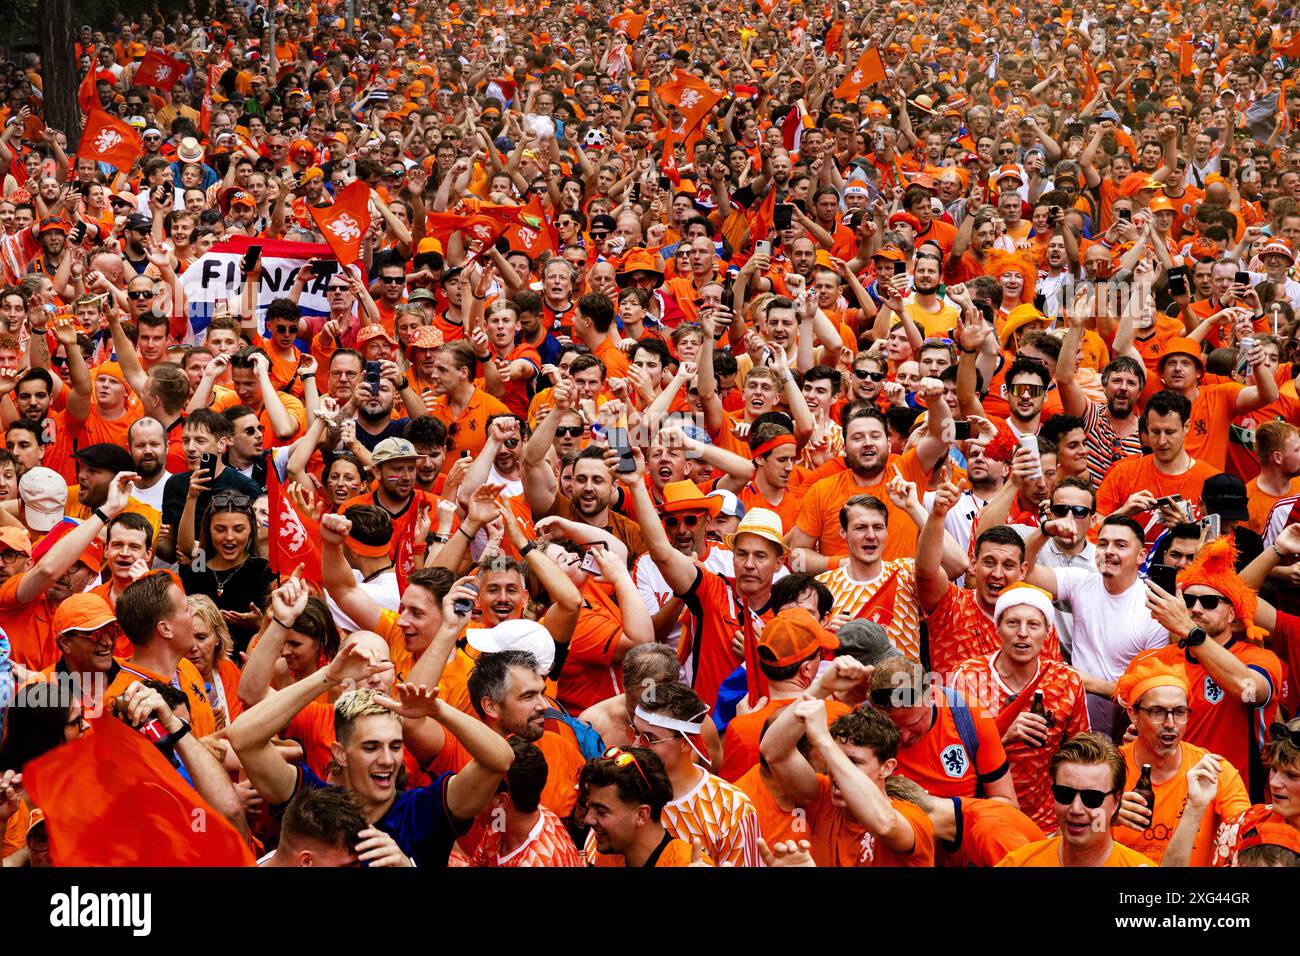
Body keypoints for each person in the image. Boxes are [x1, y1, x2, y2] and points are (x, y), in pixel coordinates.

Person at [1143, 537, 1283, 800]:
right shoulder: (1156, 661)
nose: (1195, 608)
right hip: (1170, 798)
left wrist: (1189, 631)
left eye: (1209, 602)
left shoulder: (1258, 659)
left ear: (1231, 614)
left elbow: (1247, 689)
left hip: (1234, 800)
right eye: (1189, 600)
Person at [950, 583, 1090, 832]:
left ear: (1047, 632)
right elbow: (951, 756)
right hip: (983, 818)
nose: (1023, 633)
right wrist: (1001, 736)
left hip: (1047, 821)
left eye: (1033, 625)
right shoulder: (967, 677)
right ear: (998, 629)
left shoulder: (1066, 680)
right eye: (1013, 623)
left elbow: (1082, 753)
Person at [761, 688, 936, 867]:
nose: (837, 771)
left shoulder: (912, 818)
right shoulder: (822, 799)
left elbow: (885, 824)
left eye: (853, 762)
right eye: (835, 757)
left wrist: (824, 740)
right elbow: (774, 753)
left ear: (886, 768)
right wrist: (822, 685)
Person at [1112, 652, 1250, 865]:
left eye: (1179, 712)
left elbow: (1245, 836)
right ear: (1133, 715)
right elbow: (1066, 839)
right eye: (1157, 712)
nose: (1170, 723)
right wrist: (1104, 814)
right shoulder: (1108, 769)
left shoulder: (1213, 771)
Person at [997, 733, 1156, 867]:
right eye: (1065, 794)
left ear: (1116, 801)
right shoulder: (1019, 863)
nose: (1076, 809)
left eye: (1091, 798)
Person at [471, 738, 582, 867]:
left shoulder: (538, 862)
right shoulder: (500, 821)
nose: (472, 795)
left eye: (479, 788)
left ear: (501, 801)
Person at [581, 746, 698, 868]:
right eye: (589, 807)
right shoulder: (608, 856)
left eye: (601, 811)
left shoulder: (685, 863)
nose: (588, 819)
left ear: (641, 815)